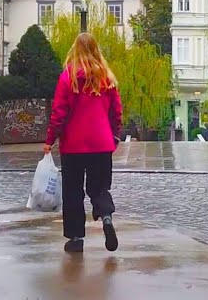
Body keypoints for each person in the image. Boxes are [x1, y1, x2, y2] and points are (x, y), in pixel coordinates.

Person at [42, 32, 123, 254]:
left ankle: (76, 238)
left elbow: (59, 112)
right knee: (99, 188)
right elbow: (116, 111)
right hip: (101, 144)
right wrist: (114, 135)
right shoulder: (106, 78)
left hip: (73, 145)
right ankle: (106, 217)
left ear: (74, 49)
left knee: (73, 191)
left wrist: (49, 140)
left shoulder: (67, 77)